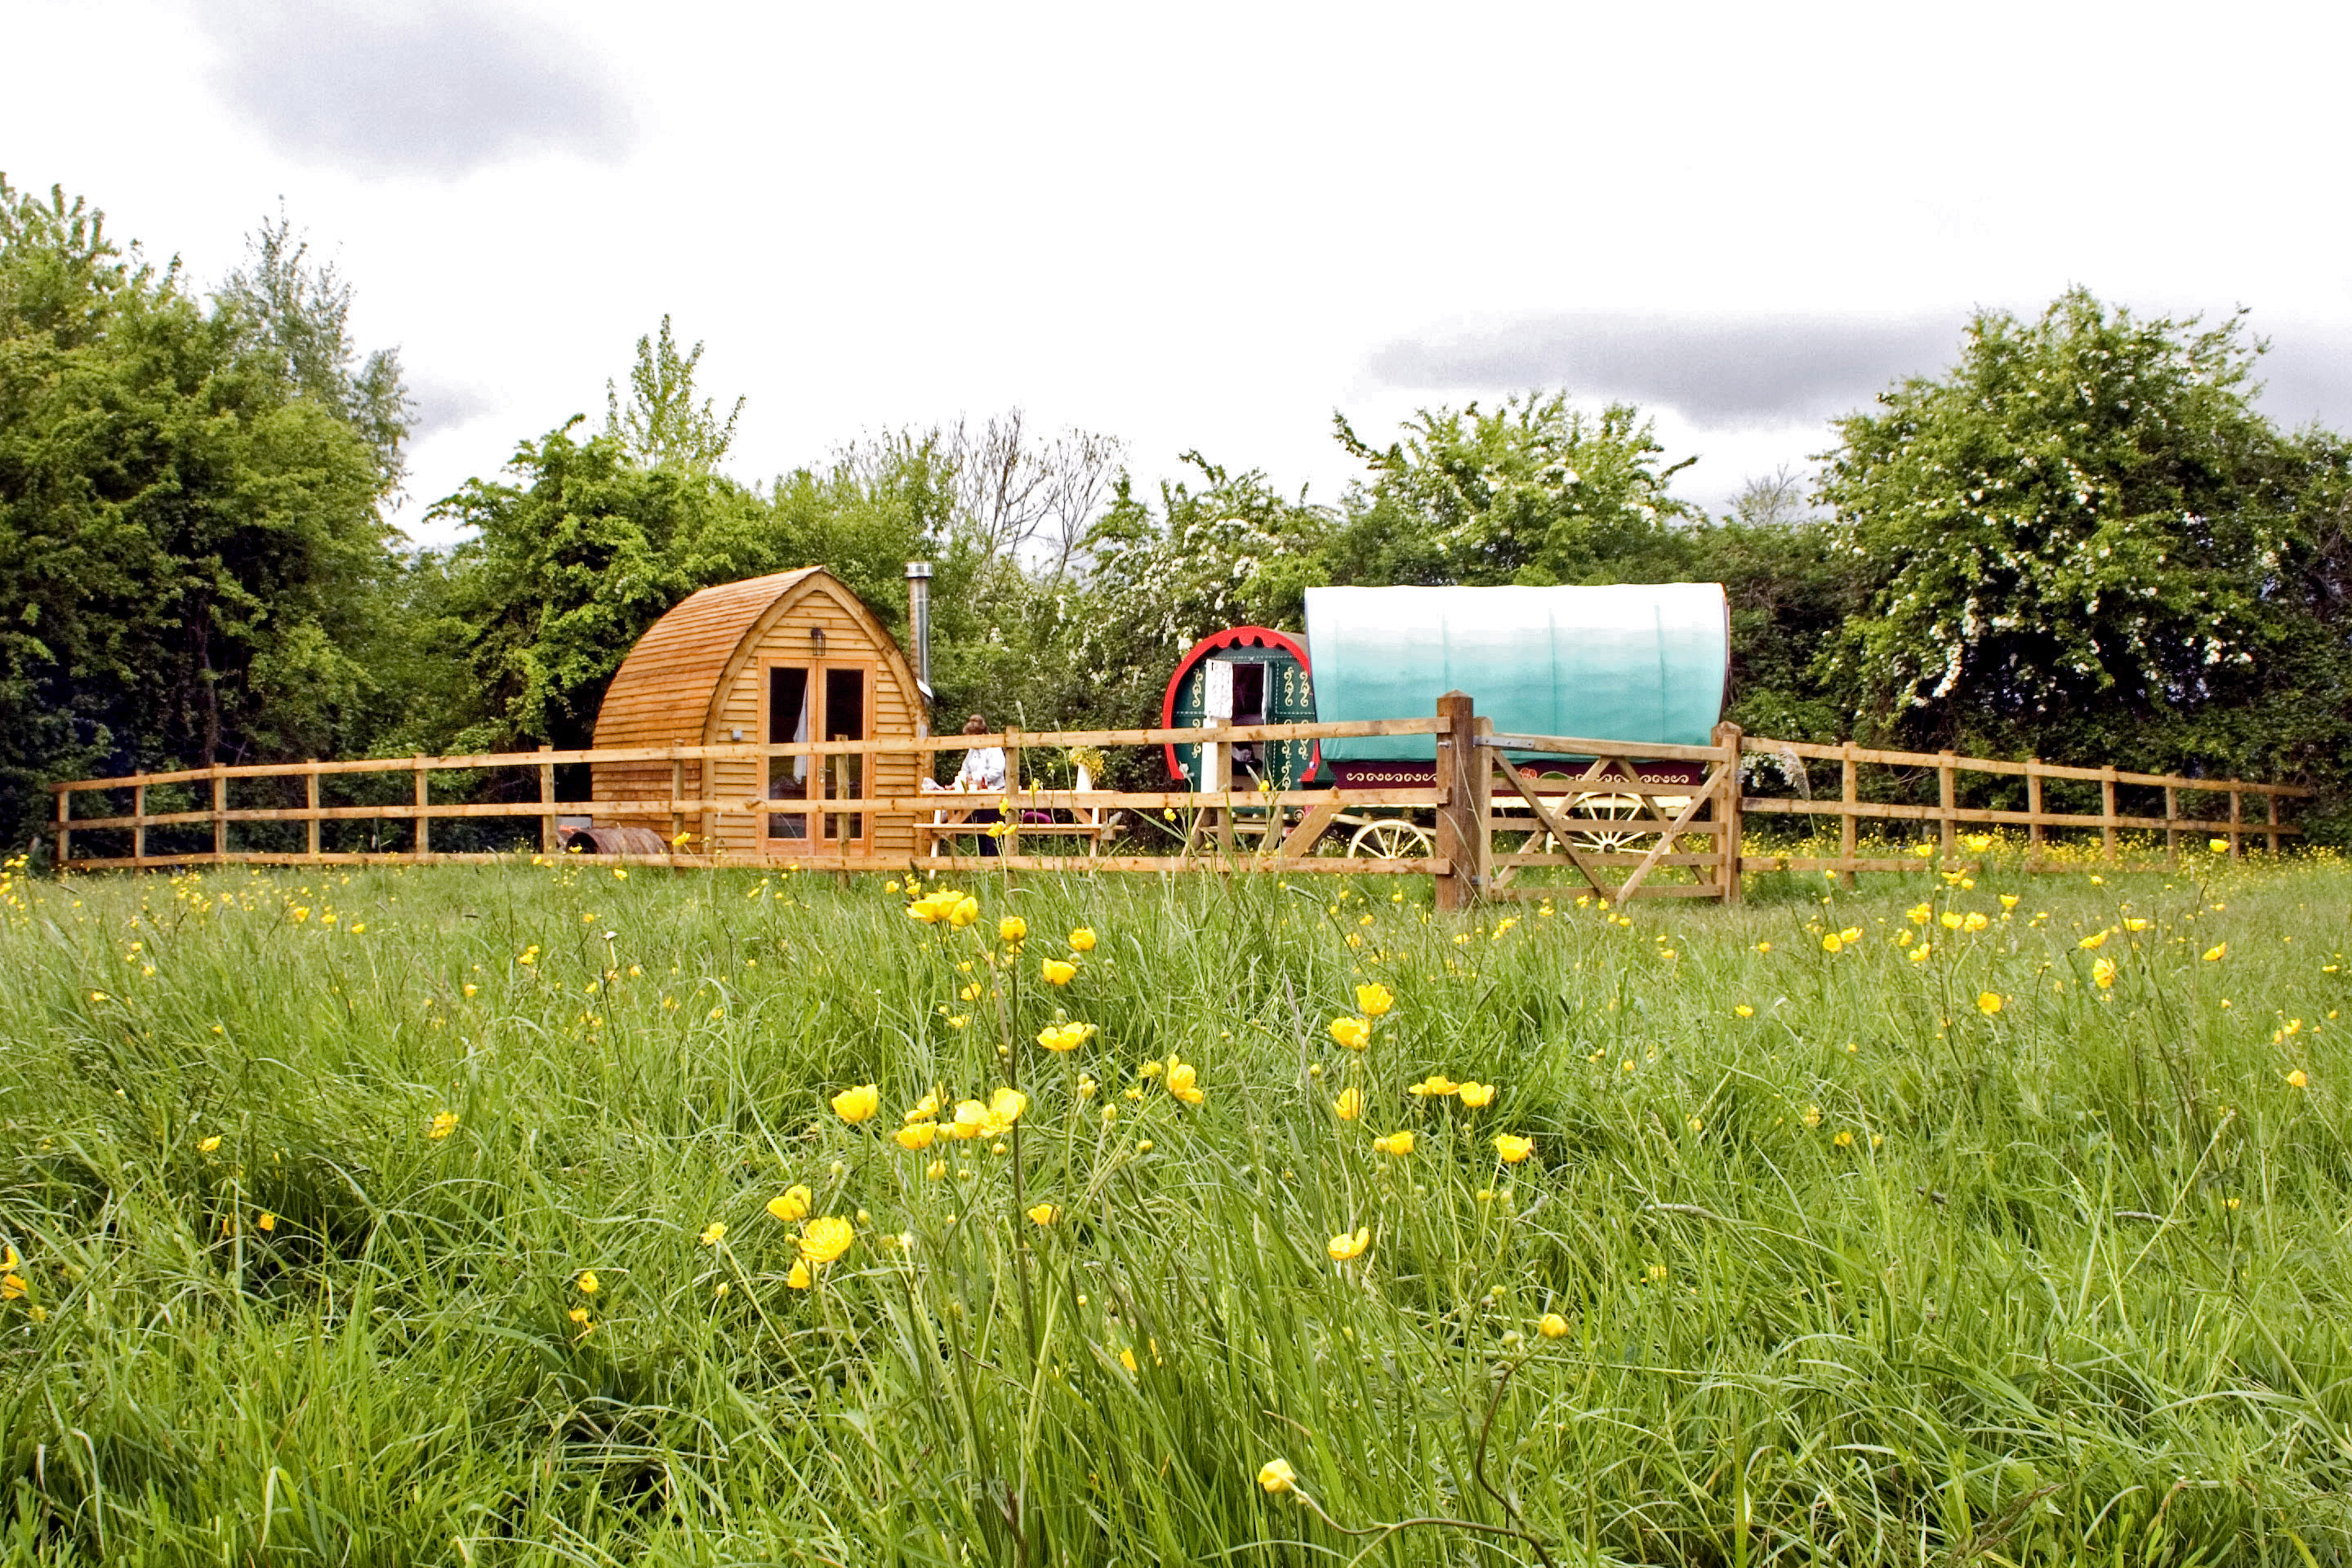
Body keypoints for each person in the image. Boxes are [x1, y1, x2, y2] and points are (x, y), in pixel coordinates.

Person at [954, 714, 1006, 856]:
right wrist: (960, 780)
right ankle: (983, 864)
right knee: (979, 831)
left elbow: (996, 771)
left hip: (993, 794)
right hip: (976, 795)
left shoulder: (994, 747)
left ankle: (995, 862)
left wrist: (975, 777)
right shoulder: (973, 750)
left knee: (993, 831)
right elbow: (965, 767)